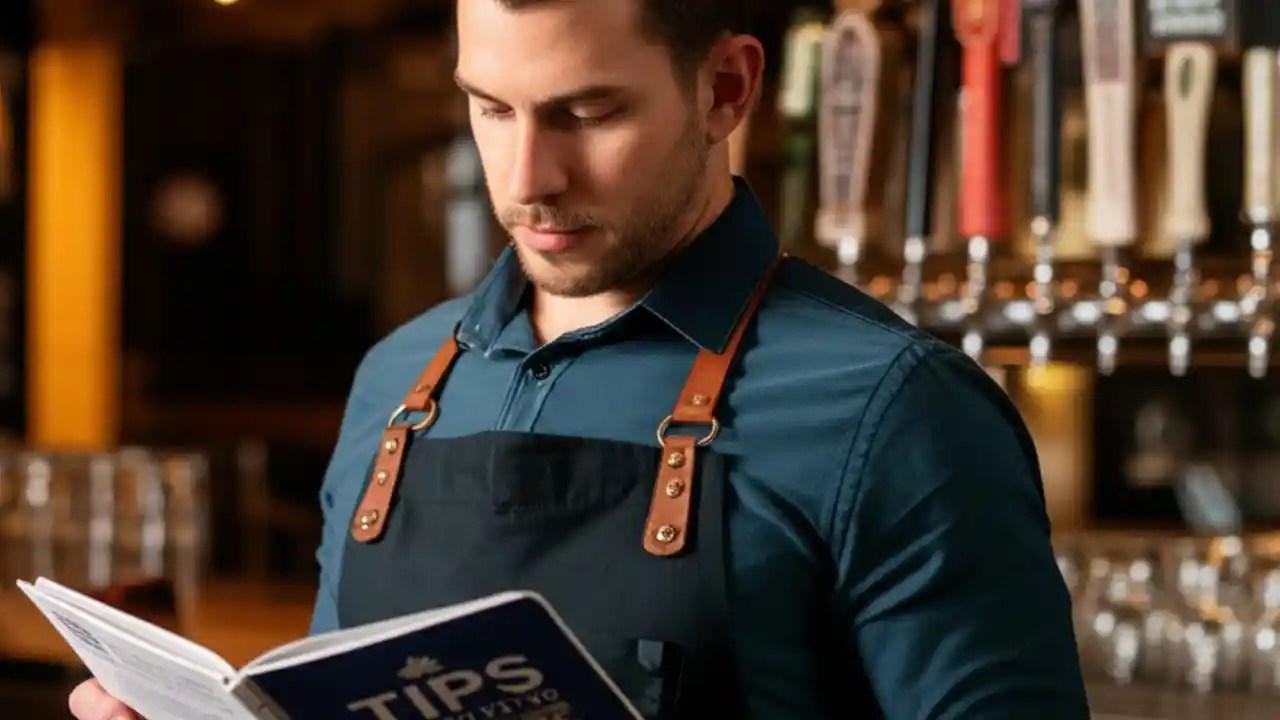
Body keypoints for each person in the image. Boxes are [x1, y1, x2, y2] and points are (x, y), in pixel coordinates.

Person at [71, 0, 1090, 717]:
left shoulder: (897, 411)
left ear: (725, 89)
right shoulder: (395, 379)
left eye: (587, 113)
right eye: (490, 108)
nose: (528, 178)